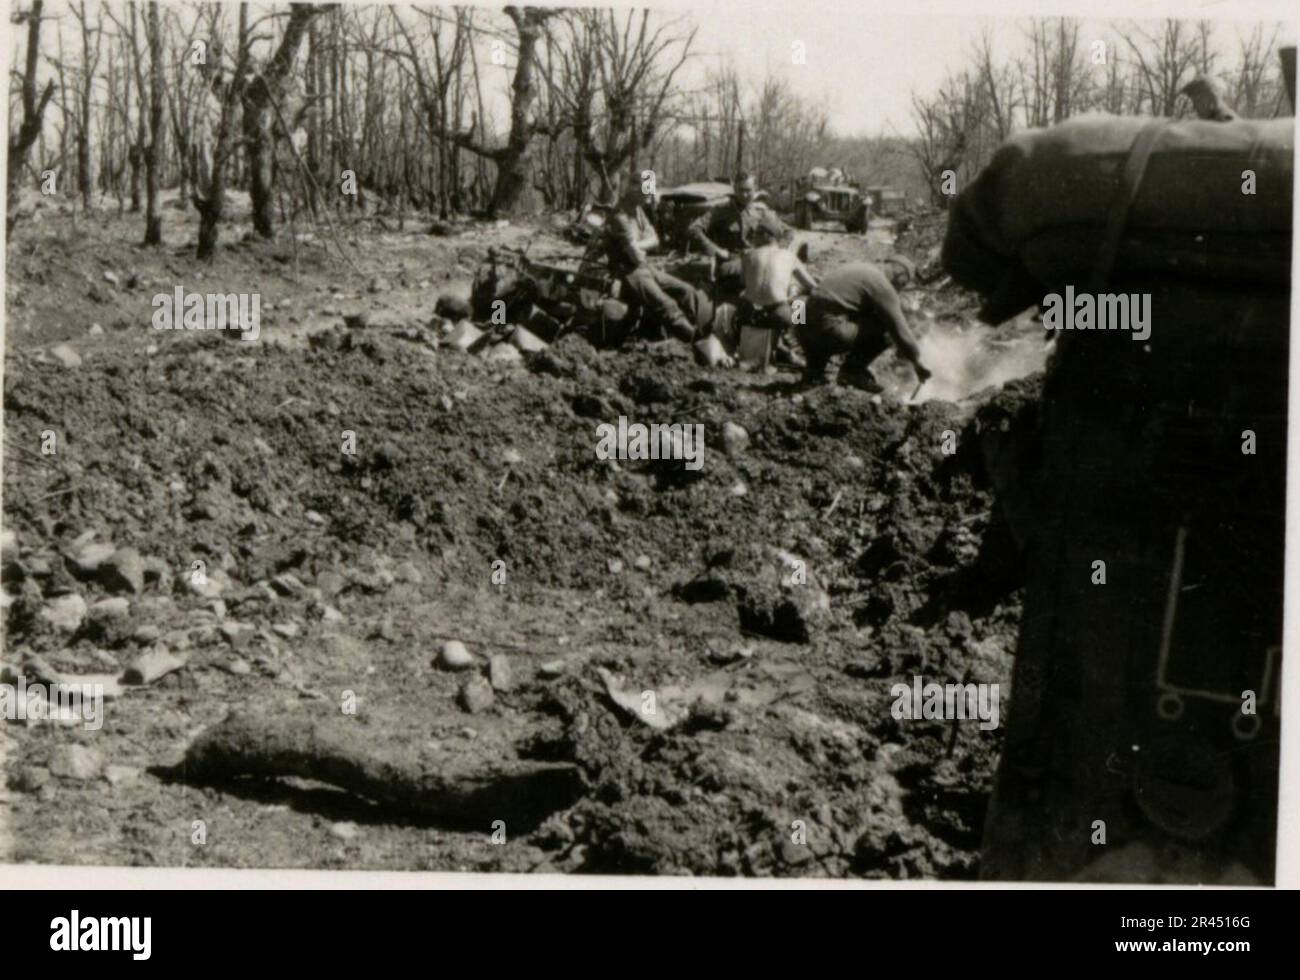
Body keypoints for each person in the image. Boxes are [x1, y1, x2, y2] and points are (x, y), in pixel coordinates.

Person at [795, 261, 931, 390]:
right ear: (900, 275)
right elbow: (900, 331)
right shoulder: (881, 285)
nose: (899, 289)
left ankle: (814, 372)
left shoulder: (858, 267)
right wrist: (917, 362)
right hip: (829, 332)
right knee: (886, 325)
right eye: (903, 284)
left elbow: (805, 300)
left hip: (802, 331)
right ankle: (852, 372)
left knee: (834, 314)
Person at [597, 185, 700, 342]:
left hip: (644, 267)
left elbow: (655, 239)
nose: (649, 198)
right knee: (667, 305)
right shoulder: (619, 216)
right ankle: (694, 340)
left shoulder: (638, 211)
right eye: (646, 194)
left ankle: (689, 333)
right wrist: (641, 245)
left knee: (687, 291)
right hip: (628, 272)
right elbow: (636, 257)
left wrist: (636, 244)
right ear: (633, 190)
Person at [688, 172, 784, 289]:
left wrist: (776, 252)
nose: (744, 194)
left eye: (748, 190)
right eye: (740, 190)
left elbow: (787, 232)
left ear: (755, 189)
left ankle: (796, 305)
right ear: (734, 189)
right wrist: (716, 250)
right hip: (731, 264)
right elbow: (694, 228)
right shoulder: (720, 211)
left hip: (758, 260)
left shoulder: (761, 212)